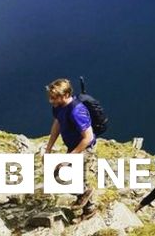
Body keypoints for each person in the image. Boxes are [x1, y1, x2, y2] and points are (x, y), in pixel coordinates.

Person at [44, 78, 97, 213]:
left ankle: (85, 192)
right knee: (71, 177)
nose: (51, 101)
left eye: (54, 97)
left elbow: (88, 137)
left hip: (85, 148)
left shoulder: (76, 111)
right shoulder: (58, 107)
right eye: (50, 97)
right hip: (73, 147)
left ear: (66, 95)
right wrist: (48, 149)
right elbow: (58, 123)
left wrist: (72, 156)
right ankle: (89, 209)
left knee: (62, 176)